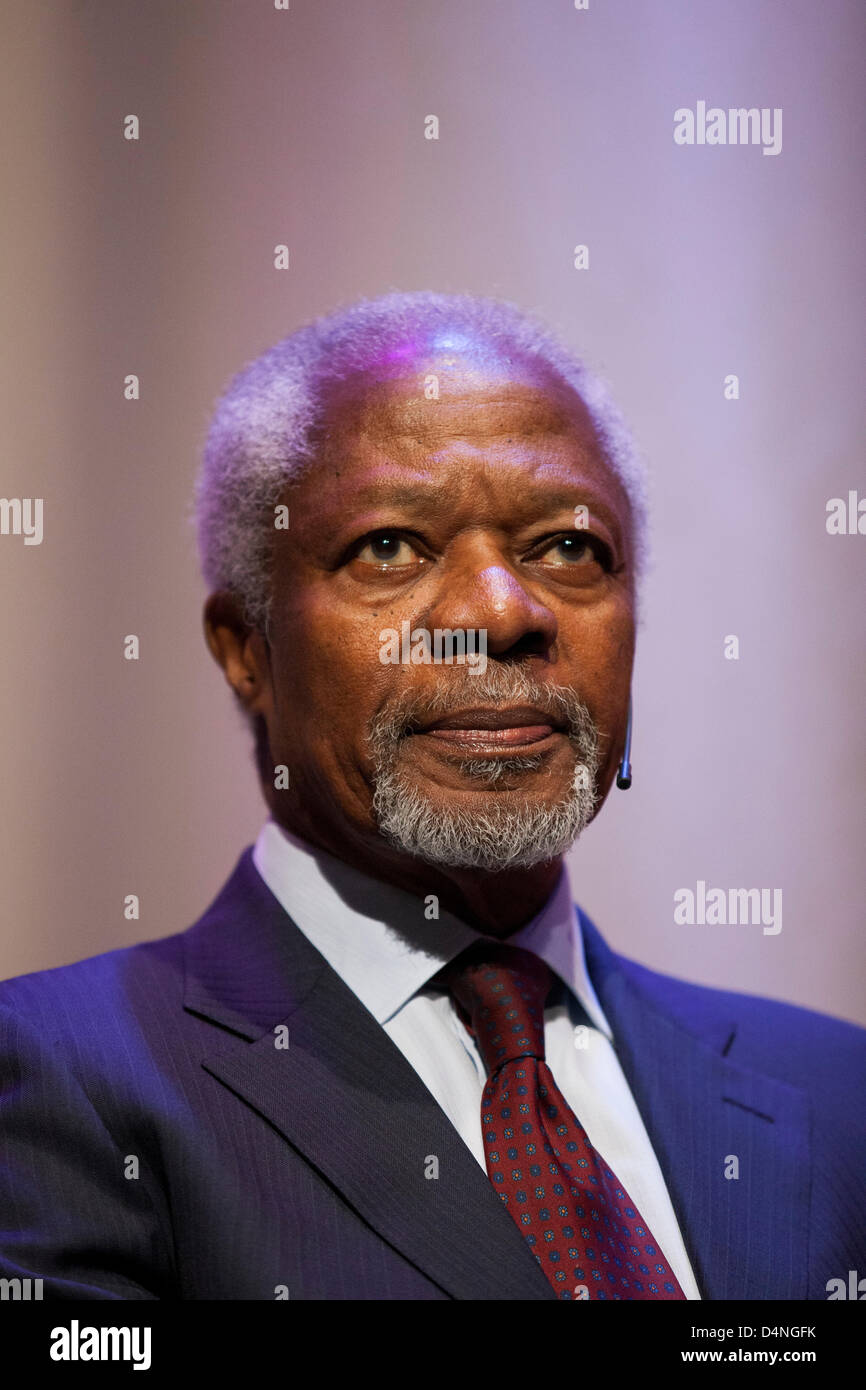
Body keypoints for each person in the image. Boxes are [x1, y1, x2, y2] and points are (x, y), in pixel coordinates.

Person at [1, 292, 863, 1301]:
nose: (502, 611)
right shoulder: (59, 1079)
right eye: (389, 547)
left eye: (568, 547)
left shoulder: (831, 1092)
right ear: (247, 650)